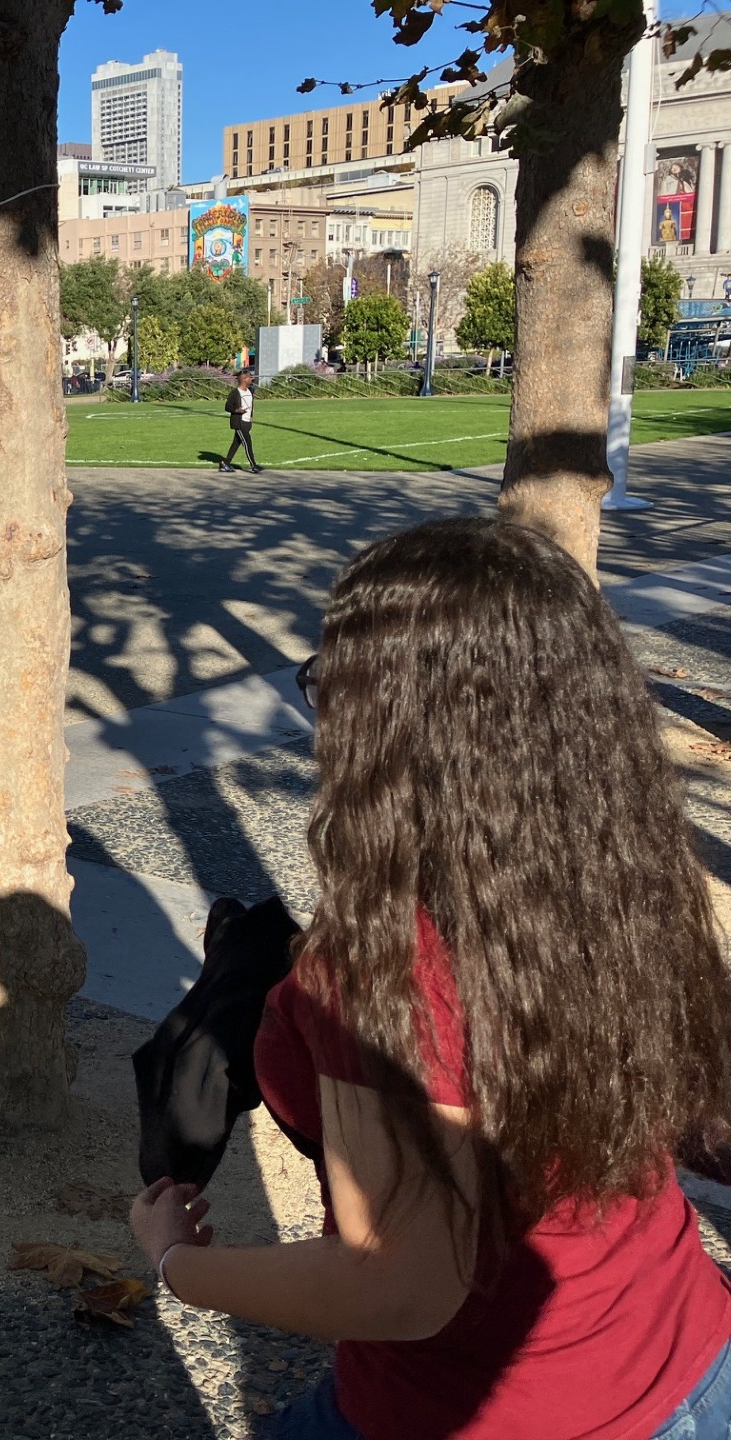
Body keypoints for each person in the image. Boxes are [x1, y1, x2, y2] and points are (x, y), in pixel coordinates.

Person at [129, 517, 731, 1440]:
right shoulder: (618, 872)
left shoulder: (386, 965)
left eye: (327, 684)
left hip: (490, 1408)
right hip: (687, 1351)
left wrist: (175, 1262)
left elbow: (397, 1287)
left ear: (386, 725)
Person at [221, 369, 262, 474]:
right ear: (244, 379)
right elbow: (227, 407)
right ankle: (253, 465)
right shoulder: (235, 393)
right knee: (247, 443)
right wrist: (237, 410)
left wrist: (251, 417)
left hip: (247, 422)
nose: (251, 379)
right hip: (239, 422)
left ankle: (225, 463)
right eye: (249, 377)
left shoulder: (250, 390)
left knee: (236, 443)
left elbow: (251, 405)